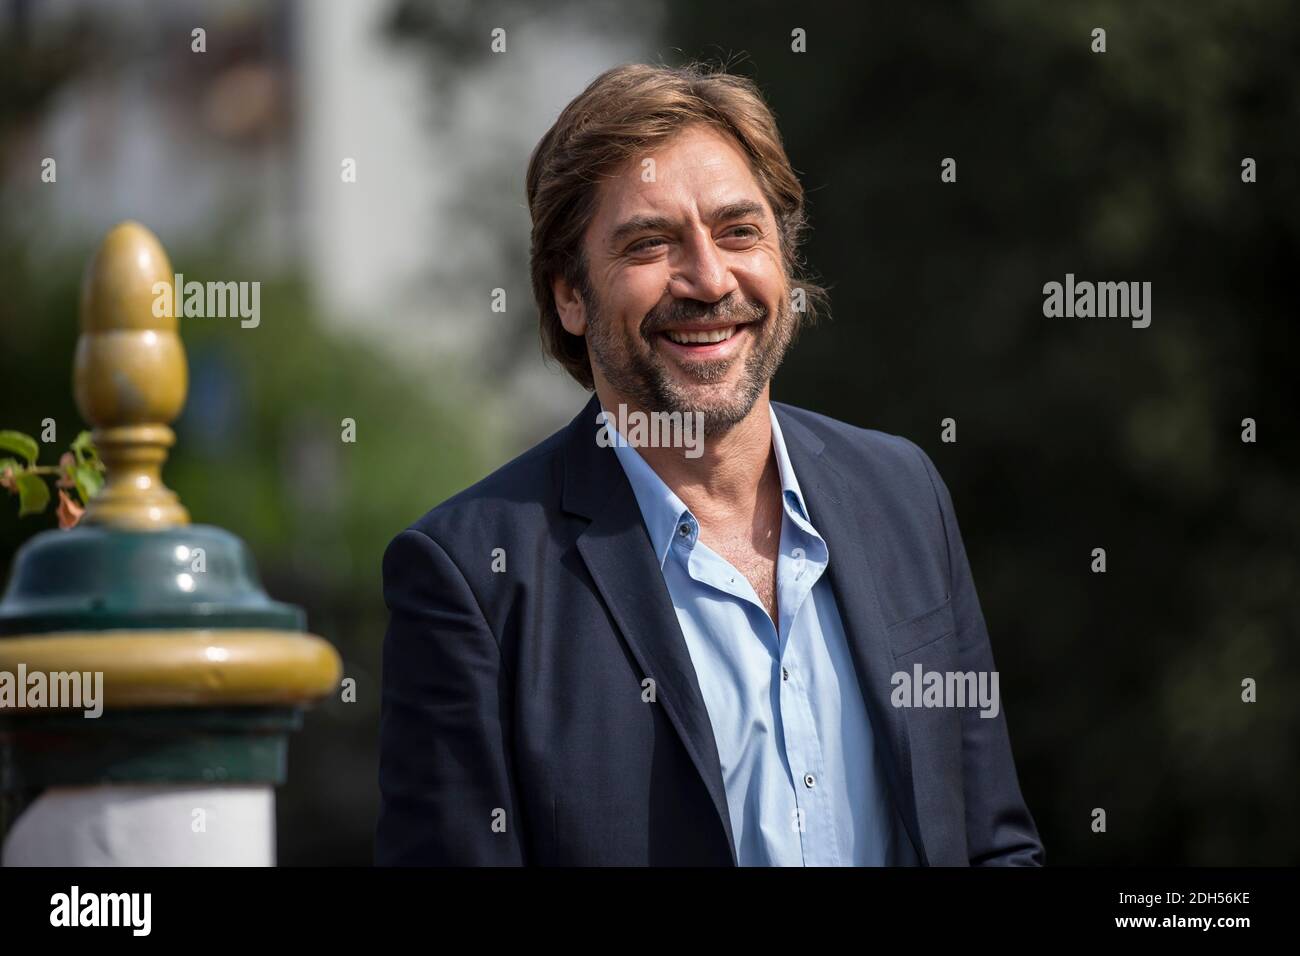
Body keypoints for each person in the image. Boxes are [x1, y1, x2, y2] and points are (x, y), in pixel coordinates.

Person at [377, 62, 1044, 866]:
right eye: (650, 243)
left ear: (784, 259)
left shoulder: (904, 495)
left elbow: (992, 847)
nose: (709, 278)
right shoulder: (471, 580)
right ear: (570, 295)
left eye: (739, 231)